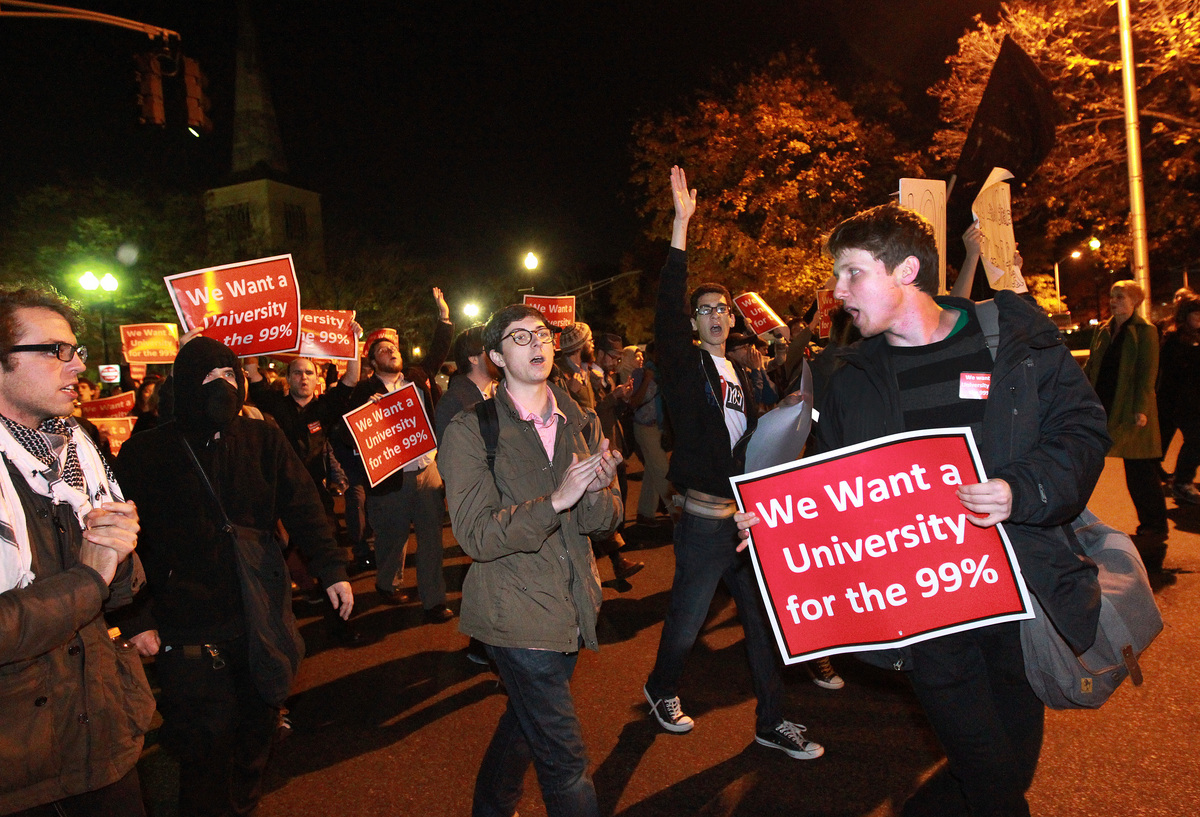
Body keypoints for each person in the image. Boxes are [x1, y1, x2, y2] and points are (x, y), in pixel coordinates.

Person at [748, 202, 1109, 815]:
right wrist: (778, 525)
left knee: (1006, 766)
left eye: (851, 273)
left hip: (1022, 603)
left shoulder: (1012, 341)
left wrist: (1021, 490)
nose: (836, 293)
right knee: (994, 783)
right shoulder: (850, 376)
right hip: (928, 619)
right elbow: (834, 488)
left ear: (906, 270)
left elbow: (1081, 431)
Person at [117, 336, 353, 817]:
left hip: (257, 614)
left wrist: (331, 569)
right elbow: (127, 541)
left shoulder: (263, 438)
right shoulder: (146, 453)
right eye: (209, 377)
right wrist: (137, 615)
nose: (222, 386)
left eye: (231, 375)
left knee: (255, 737)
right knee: (203, 751)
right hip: (186, 624)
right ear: (185, 385)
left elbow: (302, 503)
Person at [642, 166, 824, 760]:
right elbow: (667, 311)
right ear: (693, 324)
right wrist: (680, 228)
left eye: (723, 308)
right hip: (702, 522)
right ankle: (660, 687)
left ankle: (772, 720)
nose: (717, 315)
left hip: (749, 523)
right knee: (688, 624)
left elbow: (766, 434)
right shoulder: (684, 365)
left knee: (763, 623)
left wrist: (792, 405)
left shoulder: (747, 372)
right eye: (706, 310)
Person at [440, 303, 623, 817]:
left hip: (572, 602)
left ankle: (490, 808)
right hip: (515, 614)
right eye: (519, 338)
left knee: (523, 727)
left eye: (540, 333)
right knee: (565, 763)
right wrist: (557, 500)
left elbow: (602, 524)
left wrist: (597, 490)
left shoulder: (576, 418)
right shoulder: (470, 429)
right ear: (496, 356)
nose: (536, 343)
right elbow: (476, 535)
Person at [0, 285, 153, 816]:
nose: (77, 365)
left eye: (77, 350)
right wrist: (88, 580)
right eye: (56, 351)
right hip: (20, 768)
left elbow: (120, 594)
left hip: (101, 738)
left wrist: (121, 553)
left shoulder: (79, 455)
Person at [345, 289, 453, 620]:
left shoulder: (418, 378)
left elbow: (438, 351)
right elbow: (349, 423)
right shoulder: (364, 391)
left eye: (393, 349)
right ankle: (387, 583)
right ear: (372, 360)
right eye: (383, 350)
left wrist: (444, 316)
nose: (391, 353)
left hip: (426, 471)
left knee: (432, 539)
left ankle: (434, 600)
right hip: (391, 478)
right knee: (392, 539)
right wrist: (369, 411)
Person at [1084, 280, 1170, 572]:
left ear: (1135, 301)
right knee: (1086, 462)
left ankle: (1155, 525)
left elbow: (1148, 373)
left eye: (1120, 297)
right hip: (1104, 407)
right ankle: (1076, 522)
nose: (1113, 301)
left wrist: (1142, 410)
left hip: (1131, 410)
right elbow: (1092, 366)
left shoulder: (1145, 332)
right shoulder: (1104, 329)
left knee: (1141, 471)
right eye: (1111, 296)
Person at [1157, 295, 1200, 504]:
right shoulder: (1174, 339)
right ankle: (1182, 482)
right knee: (1195, 440)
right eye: (1196, 313)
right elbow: (1169, 372)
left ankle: (1181, 479)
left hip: (1195, 402)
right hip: (1178, 402)